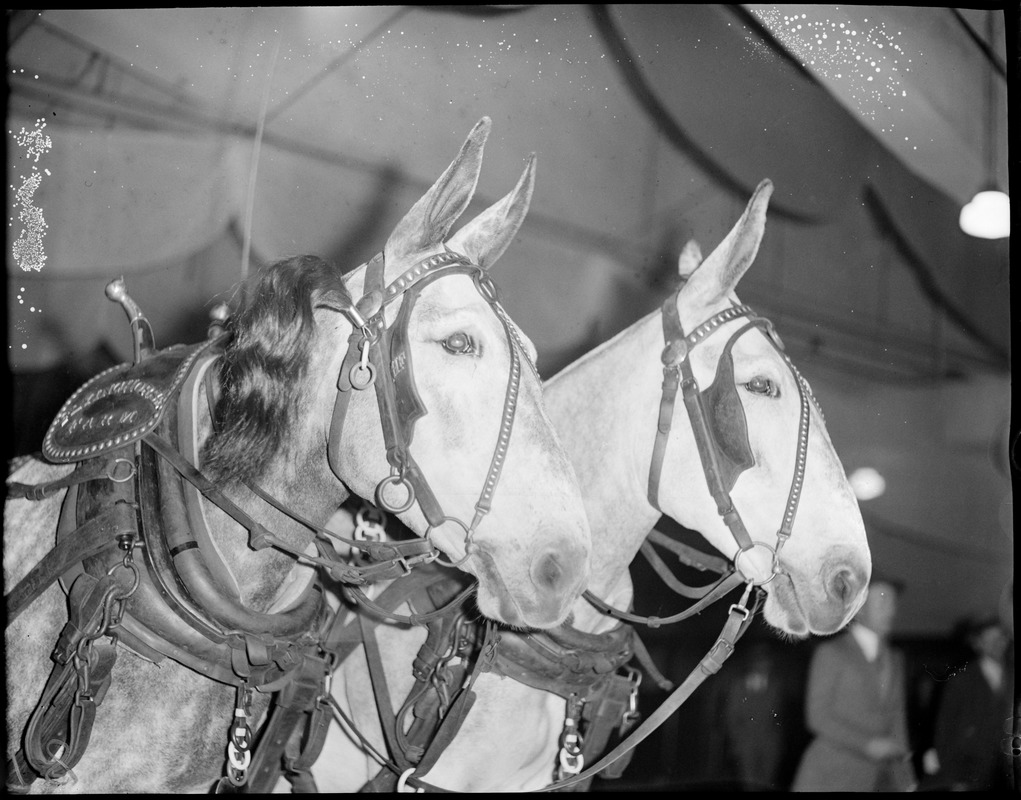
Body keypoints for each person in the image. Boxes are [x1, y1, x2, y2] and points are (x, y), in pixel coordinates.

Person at [791, 575, 917, 792]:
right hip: (829, 777)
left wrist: (906, 777)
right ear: (858, 608)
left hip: (875, 780)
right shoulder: (831, 653)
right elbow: (818, 717)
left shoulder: (895, 658)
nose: (891, 611)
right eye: (883, 602)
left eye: (893, 603)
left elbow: (898, 719)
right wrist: (868, 745)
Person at [920, 617, 1013, 791]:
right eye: (989, 639)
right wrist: (955, 777)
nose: (996, 644)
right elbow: (945, 731)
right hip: (971, 773)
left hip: (1006, 772)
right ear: (978, 644)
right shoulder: (961, 681)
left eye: (1000, 638)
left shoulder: (1012, 676)